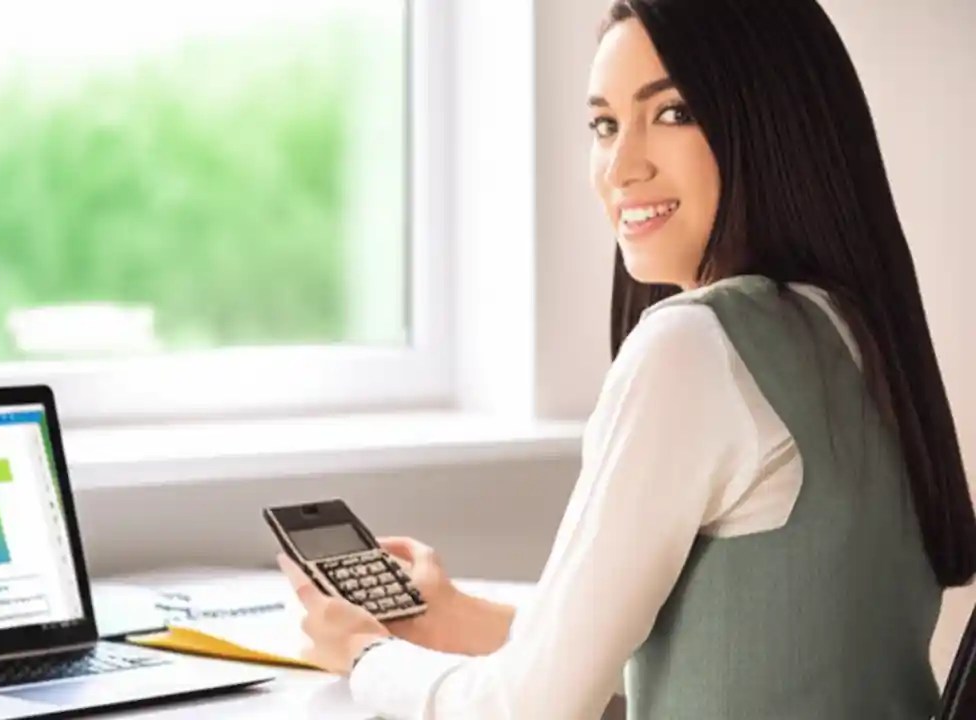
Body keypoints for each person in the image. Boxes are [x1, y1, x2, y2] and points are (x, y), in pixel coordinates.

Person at [276, 0, 976, 717]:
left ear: (769, 123)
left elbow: (525, 709)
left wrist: (366, 656)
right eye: (604, 125)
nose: (621, 165)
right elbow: (737, 648)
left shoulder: (694, 346)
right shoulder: (853, 333)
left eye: (672, 113)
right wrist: (450, 617)